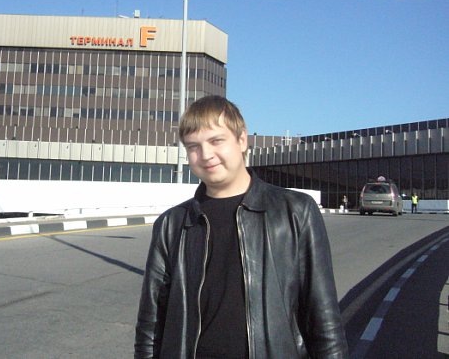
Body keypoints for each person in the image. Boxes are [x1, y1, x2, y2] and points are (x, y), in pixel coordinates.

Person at [134, 95, 348, 358]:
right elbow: (151, 324)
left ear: (242, 140)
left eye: (216, 141)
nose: (206, 155)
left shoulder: (295, 211)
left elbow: (324, 320)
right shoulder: (171, 224)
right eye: (193, 146)